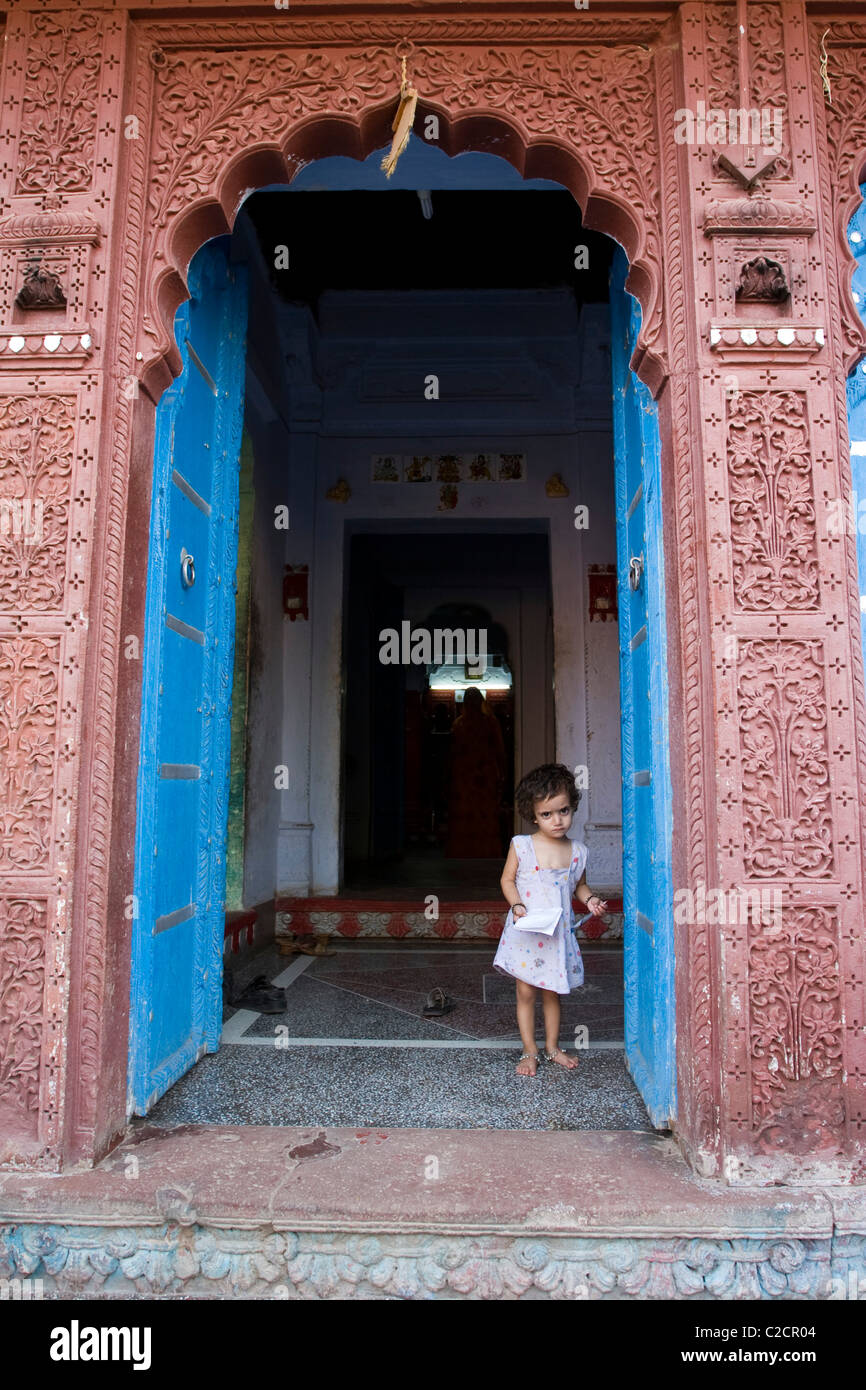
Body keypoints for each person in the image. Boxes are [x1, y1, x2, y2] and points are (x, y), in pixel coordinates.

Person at [493, 763, 608, 1076]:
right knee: (526, 992)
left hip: (557, 935)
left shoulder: (577, 851)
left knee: (553, 991)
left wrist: (591, 900)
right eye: (547, 814)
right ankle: (529, 1050)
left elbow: (579, 886)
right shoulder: (522, 846)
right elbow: (507, 880)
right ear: (533, 815)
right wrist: (516, 905)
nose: (557, 820)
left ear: (572, 806)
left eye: (564, 811)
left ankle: (553, 1046)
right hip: (527, 932)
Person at [444, 686, 506, 857]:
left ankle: (466, 852)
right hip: (479, 778)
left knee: (470, 816)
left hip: (468, 778)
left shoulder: (460, 724)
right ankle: (483, 852)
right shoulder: (489, 723)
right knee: (481, 816)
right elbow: (499, 751)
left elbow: (453, 753)